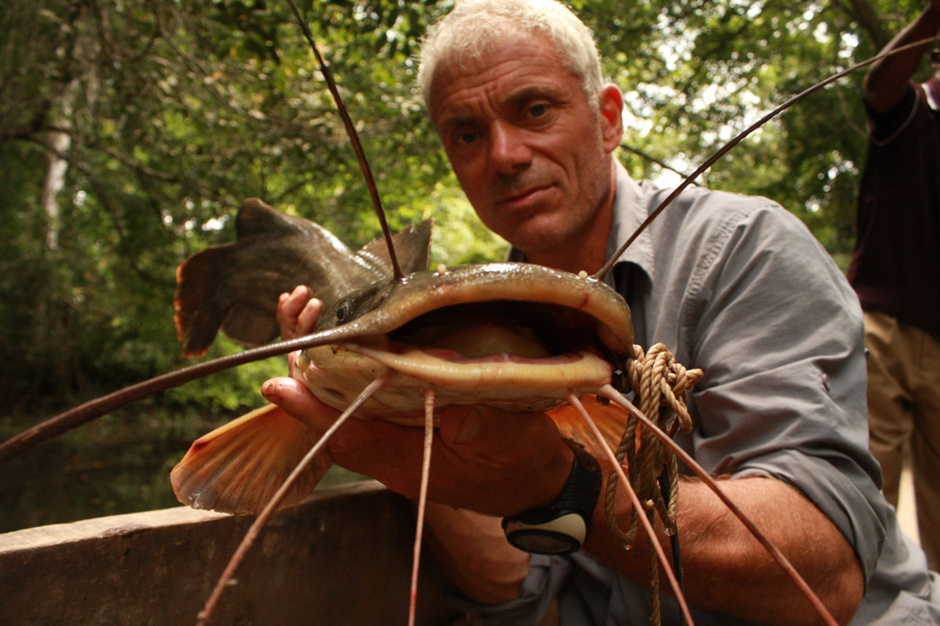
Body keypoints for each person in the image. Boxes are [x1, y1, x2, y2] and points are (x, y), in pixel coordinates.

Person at [265, 0, 940, 623]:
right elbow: (520, 594)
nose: (504, 155)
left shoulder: (743, 248)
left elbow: (823, 573)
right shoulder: (457, 328)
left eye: (535, 110)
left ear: (609, 117)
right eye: (467, 134)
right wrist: (390, 416)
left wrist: (565, 487)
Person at [847, 1, 940, 573]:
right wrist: (931, 20)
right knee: (868, 488)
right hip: (883, 328)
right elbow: (879, 85)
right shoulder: (913, 106)